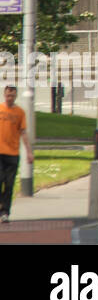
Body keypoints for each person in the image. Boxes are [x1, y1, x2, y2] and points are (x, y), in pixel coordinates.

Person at [0, 84, 34, 222]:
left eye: (12, 96)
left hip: (13, 154)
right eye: (8, 95)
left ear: (16, 96)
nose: (10, 98)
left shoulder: (20, 113)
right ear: (4, 95)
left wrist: (29, 152)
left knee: (9, 184)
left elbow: (23, 132)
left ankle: (5, 212)